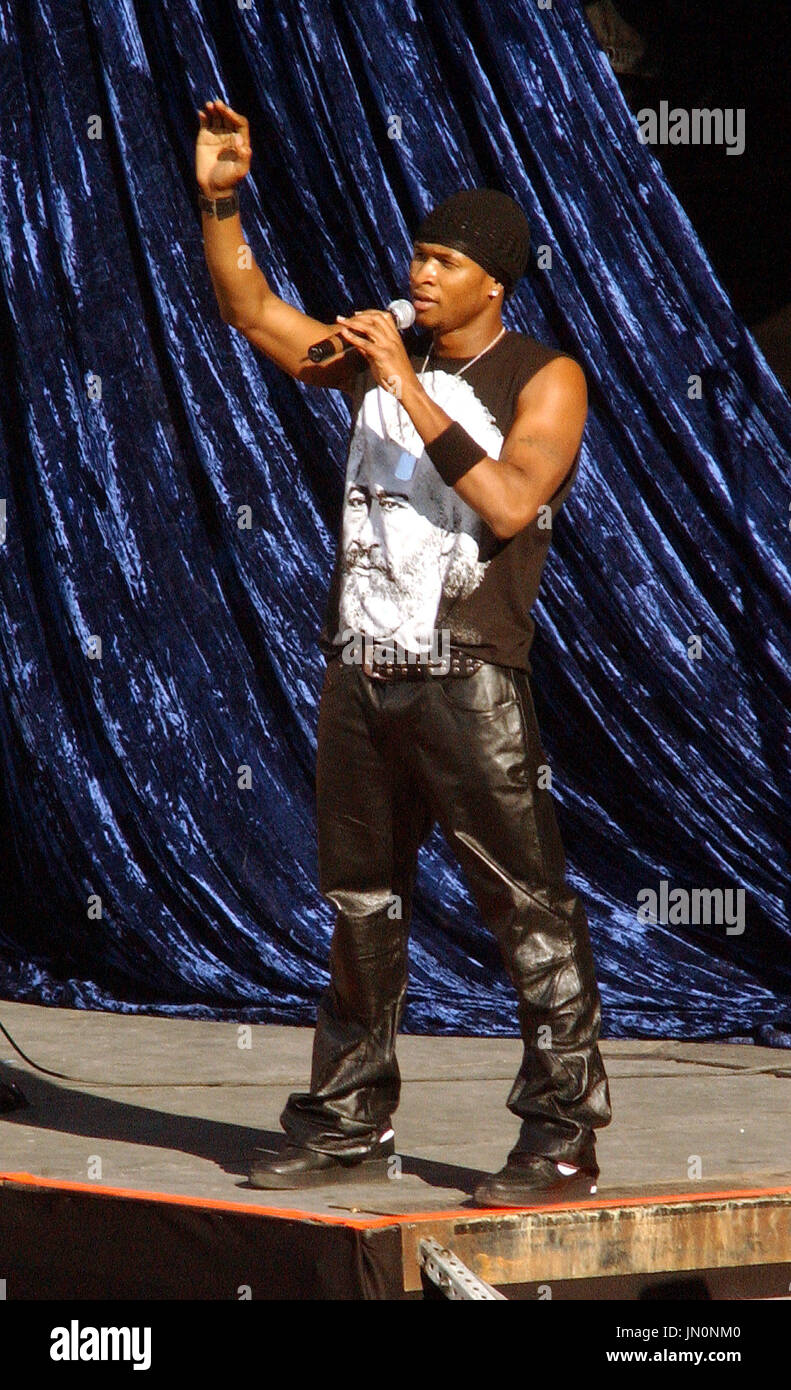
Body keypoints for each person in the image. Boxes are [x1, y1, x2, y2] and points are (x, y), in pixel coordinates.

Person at [196, 99, 612, 1207]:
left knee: (526, 910)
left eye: (442, 261)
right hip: (360, 666)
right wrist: (221, 199)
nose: (419, 275)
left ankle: (560, 1136)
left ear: (493, 280)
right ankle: (345, 1123)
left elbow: (512, 500)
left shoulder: (542, 374)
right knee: (360, 905)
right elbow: (253, 312)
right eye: (416, 255)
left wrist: (403, 382)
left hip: (466, 675)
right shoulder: (385, 348)